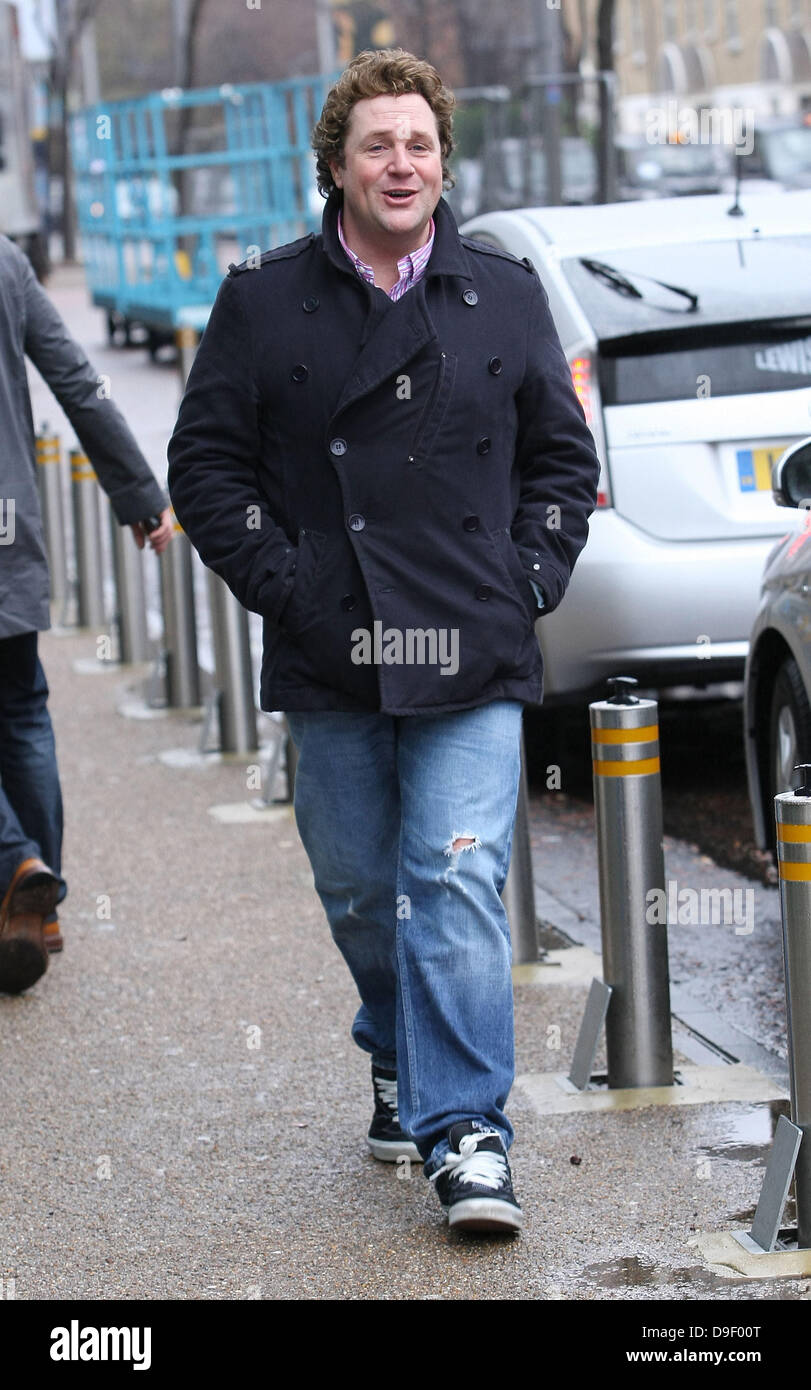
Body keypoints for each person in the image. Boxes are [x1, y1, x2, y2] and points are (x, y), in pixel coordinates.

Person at [167, 48, 600, 1233]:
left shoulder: (503, 292)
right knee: (363, 891)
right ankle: (394, 1041)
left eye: (418, 143)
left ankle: (466, 1133)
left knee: (451, 878)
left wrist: (524, 578)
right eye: (377, 145)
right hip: (333, 647)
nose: (400, 163)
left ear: (442, 159)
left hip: (470, 645)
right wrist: (292, 583)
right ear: (338, 167)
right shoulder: (263, 300)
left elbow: (563, 460)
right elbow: (204, 468)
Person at [0, 233, 172, 994]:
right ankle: (40, 909)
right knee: (22, 711)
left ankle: (16, 866)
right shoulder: (4, 259)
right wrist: (137, 492)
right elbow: (78, 380)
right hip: (10, 531)